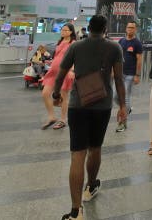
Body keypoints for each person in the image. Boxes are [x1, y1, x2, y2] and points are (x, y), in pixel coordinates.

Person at [52, 15, 126, 220]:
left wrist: (56, 93)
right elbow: (119, 79)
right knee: (95, 148)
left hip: (78, 105)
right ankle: (91, 185)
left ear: (88, 28)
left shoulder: (76, 47)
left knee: (77, 154)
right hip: (102, 105)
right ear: (105, 28)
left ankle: (76, 211)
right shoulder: (114, 48)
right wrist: (123, 105)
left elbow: (61, 72)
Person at [40, 24, 76, 130]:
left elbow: (75, 58)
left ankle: (63, 119)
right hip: (53, 71)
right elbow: (57, 56)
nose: (63, 32)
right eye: (62, 30)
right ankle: (51, 117)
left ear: (71, 32)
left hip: (65, 72)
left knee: (64, 96)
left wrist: (72, 70)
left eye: (65, 30)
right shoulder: (59, 42)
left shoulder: (73, 44)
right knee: (45, 93)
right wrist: (50, 62)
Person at [116, 21, 143, 132]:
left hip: (130, 75)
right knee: (114, 96)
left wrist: (137, 75)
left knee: (125, 97)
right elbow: (117, 57)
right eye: (128, 27)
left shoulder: (137, 43)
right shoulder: (121, 41)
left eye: (132, 28)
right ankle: (127, 109)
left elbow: (139, 60)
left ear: (135, 29)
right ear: (126, 28)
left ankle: (122, 122)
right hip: (120, 74)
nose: (130, 29)